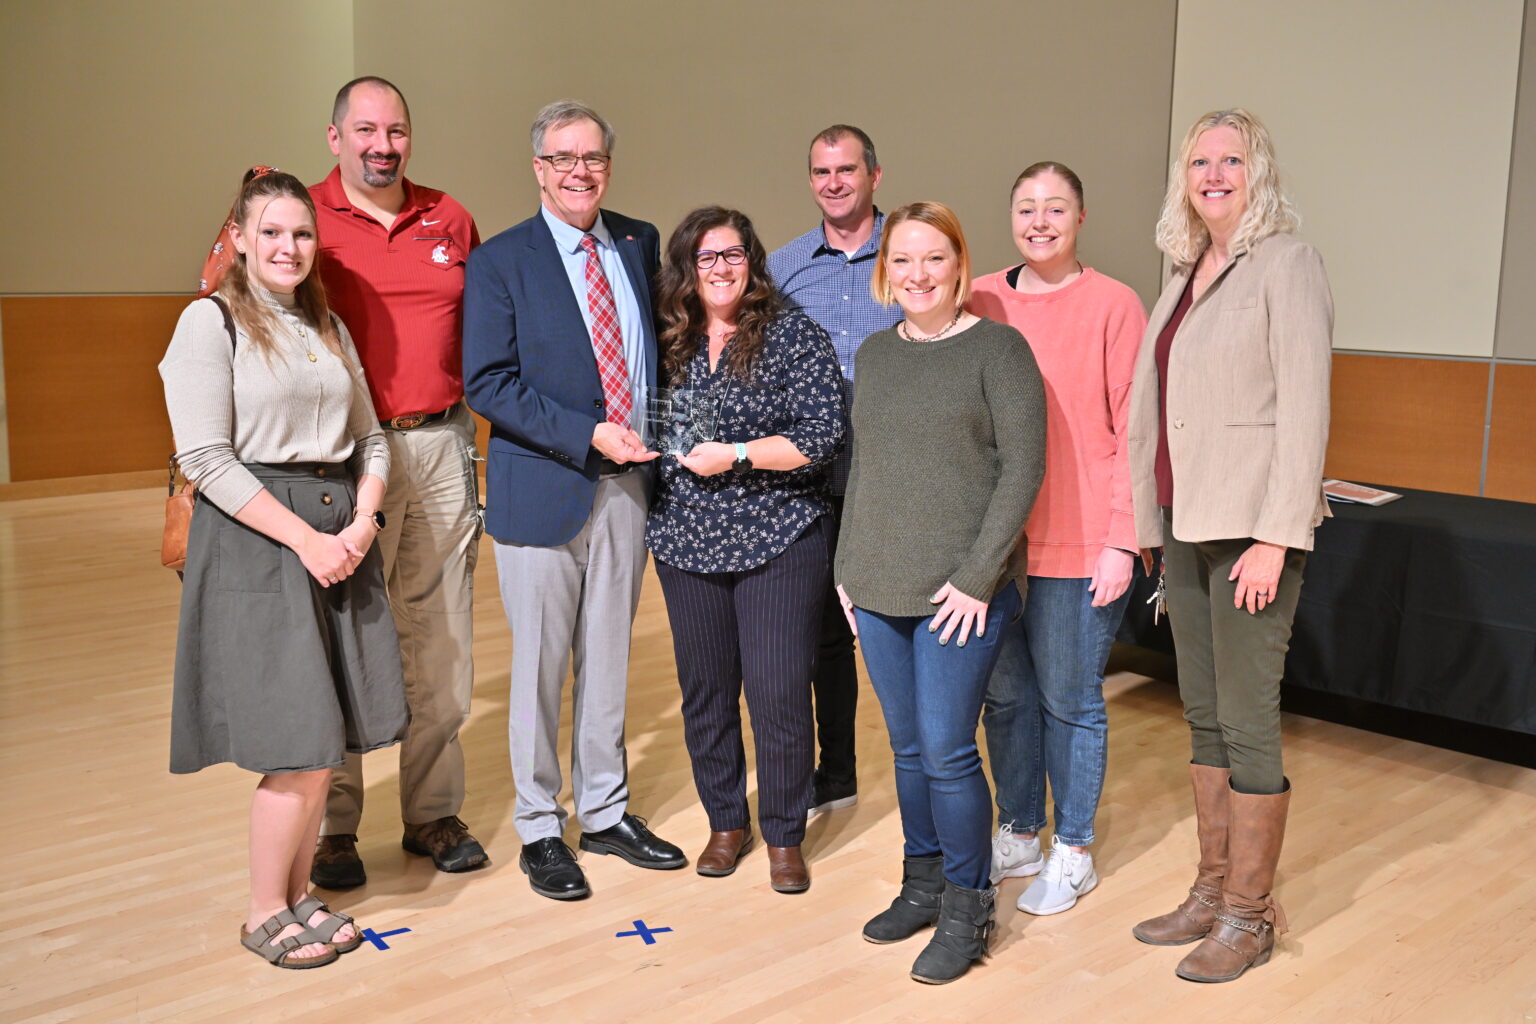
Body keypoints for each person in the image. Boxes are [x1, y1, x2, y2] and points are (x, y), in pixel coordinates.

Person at [160, 168, 408, 968]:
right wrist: (305, 539)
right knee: (297, 744)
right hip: (262, 542)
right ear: (236, 237)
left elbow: (371, 437)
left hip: (342, 533)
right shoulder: (209, 323)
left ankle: (301, 894)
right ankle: (263, 908)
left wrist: (364, 520)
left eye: (301, 233)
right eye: (270, 231)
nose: (288, 247)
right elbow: (204, 456)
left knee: (327, 741)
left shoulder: (324, 323)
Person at [1127, 108, 1332, 983]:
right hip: (1185, 523)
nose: (1214, 173)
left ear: (1259, 171)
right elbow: (1156, 411)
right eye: (1200, 160)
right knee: (1203, 714)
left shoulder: (1285, 261)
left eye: (1231, 160)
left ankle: (1250, 916)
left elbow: (1306, 409)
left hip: (1251, 532)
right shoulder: (1182, 269)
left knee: (1247, 722)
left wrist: (1276, 538)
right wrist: (1150, 526)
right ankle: (1213, 891)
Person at [463, 100, 684, 901]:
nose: (578, 172)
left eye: (591, 158)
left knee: (610, 661)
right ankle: (538, 825)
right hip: (544, 490)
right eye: (562, 159)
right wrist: (589, 433)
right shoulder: (499, 261)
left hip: (629, 489)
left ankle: (604, 810)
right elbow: (486, 381)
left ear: (608, 166)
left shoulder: (637, 241)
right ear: (537, 168)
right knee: (541, 668)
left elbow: (659, 353)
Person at [835, 202, 1045, 984]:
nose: (919, 275)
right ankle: (921, 884)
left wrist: (977, 577)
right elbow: (869, 472)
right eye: (905, 260)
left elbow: (1023, 470)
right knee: (909, 748)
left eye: (935, 259)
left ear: (960, 265)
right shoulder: (876, 353)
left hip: (962, 592)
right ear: (886, 269)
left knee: (952, 753)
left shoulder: (999, 350)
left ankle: (968, 905)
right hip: (878, 583)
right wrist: (845, 573)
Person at [307, 76, 488, 888]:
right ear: (335, 136)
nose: (384, 145)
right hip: (345, 458)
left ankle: (430, 813)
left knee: (441, 634)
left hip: (444, 444)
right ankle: (334, 827)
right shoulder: (303, 218)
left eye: (398, 131)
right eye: (367, 130)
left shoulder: (450, 217)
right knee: (343, 635)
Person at [646, 207, 845, 893]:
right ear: (687, 269)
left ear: (752, 262)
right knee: (704, 693)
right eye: (706, 258)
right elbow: (663, 435)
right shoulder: (670, 342)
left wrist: (736, 453)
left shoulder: (793, 336)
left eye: (733, 255)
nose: (721, 268)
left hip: (778, 533)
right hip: (686, 538)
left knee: (778, 693)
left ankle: (785, 835)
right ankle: (726, 822)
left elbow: (821, 434)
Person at [969, 162, 1147, 915]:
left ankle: (1074, 849)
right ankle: (1019, 829)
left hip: (1081, 543)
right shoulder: (980, 297)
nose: (1039, 221)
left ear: (1081, 216)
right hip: (997, 547)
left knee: (1072, 701)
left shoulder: (1114, 305)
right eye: (1026, 207)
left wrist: (1124, 541)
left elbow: (1137, 433)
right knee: (1005, 700)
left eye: (1055, 208)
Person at [768, 125, 901, 817]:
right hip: (811, 481)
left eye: (847, 169)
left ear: (874, 175)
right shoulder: (785, 266)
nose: (834, 182)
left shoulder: (909, 256)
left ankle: (927, 771)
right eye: (821, 171)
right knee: (823, 636)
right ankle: (838, 771)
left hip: (894, 481)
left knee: (906, 629)